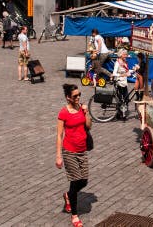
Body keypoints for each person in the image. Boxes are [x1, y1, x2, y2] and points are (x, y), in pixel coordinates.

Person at [56, 84, 92, 227]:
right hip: (69, 150)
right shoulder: (63, 113)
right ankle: (75, 216)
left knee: (84, 181)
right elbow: (59, 135)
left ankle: (68, 195)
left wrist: (86, 113)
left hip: (82, 150)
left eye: (79, 95)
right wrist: (58, 156)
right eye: (75, 96)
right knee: (75, 180)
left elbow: (89, 126)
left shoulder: (81, 108)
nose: (78, 98)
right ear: (68, 97)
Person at [112, 50, 135, 119]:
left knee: (125, 99)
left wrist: (133, 70)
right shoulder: (117, 63)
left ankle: (121, 114)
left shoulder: (124, 62)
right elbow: (114, 73)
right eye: (125, 55)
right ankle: (120, 114)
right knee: (121, 100)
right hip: (119, 83)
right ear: (121, 55)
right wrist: (123, 75)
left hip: (124, 83)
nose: (126, 56)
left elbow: (127, 71)